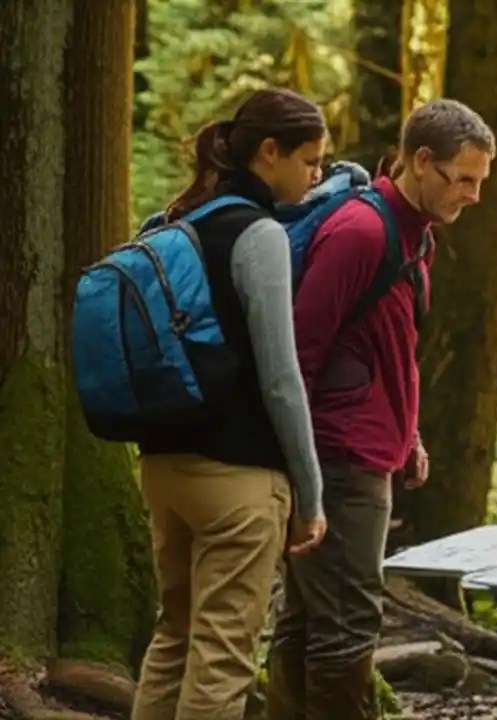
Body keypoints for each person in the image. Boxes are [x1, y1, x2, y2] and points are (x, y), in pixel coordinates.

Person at [265, 98, 495, 719]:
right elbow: (301, 348)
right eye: (464, 178)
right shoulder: (361, 232)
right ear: (423, 162)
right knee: (348, 620)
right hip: (339, 458)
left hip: (369, 448)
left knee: (311, 617)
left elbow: (386, 347)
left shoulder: (416, 238)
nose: (473, 195)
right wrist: (302, 465)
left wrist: (408, 433)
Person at [131, 87, 329, 720]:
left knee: (174, 639)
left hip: (163, 467)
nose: (316, 176)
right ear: (269, 153)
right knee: (222, 660)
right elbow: (280, 376)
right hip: (238, 483)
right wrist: (310, 494)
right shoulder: (259, 234)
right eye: (309, 161)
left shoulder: (171, 223)